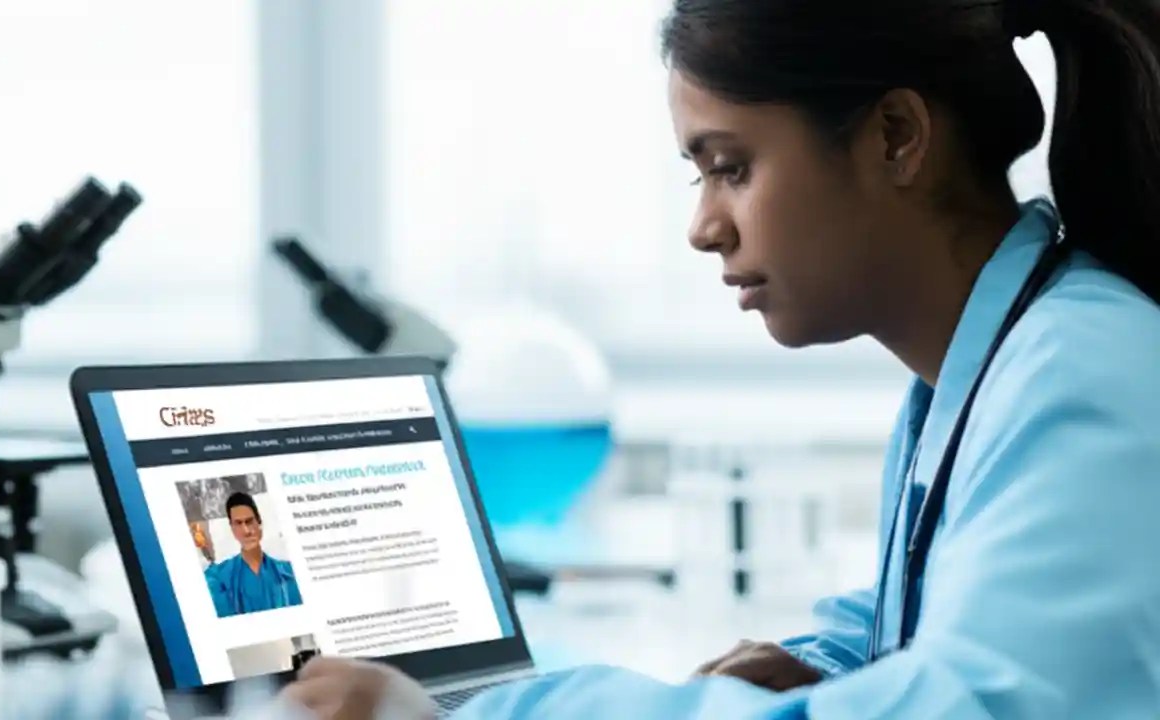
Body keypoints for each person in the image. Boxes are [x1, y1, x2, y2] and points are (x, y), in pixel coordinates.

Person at [277, 0, 1160, 717]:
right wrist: (825, 670)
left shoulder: (1080, 371)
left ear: (896, 136)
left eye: (731, 167)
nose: (704, 227)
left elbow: (977, 706)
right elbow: (944, 621)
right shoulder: (986, 371)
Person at [204, 492, 304, 618]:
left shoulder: (289, 572)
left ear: (259, 522)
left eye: (249, 521)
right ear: (232, 528)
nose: (246, 531)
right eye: (238, 523)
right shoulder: (217, 577)